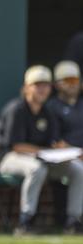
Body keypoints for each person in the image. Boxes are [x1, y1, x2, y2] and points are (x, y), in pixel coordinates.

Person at [0, 65, 83, 236]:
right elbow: (17, 146)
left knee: (78, 170)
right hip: (10, 159)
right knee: (37, 168)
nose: (42, 89)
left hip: (43, 159)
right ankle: (25, 221)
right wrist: (43, 151)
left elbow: (52, 143)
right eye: (38, 85)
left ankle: (73, 221)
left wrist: (66, 150)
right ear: (27, 87)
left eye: (46, 85)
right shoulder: (17, 109)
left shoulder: (47, 111)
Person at [45, 61, 83, 228]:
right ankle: (73, 220)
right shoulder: (51, 107)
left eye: (75, 80)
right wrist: (76, 153)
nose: (72, 85)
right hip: (66, 158)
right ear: (58, 84)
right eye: (68, 81)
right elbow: (54, 143)